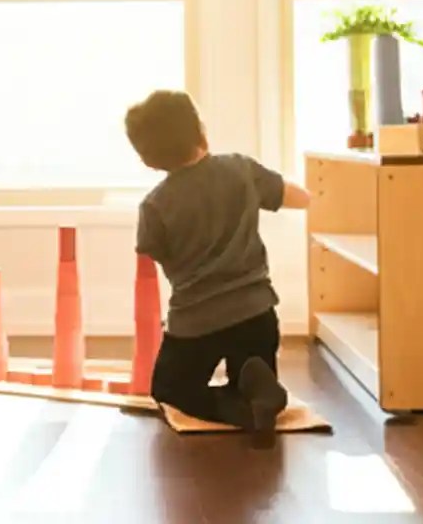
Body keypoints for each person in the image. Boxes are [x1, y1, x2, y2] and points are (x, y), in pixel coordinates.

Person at [124, 90, 310, 445]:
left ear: (149, 160)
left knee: (169, 389)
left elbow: (152, 254)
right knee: (251, 375)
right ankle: (254, 389)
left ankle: (238, 410)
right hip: (258, 315)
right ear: (200, 131)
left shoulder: (155, 205)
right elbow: (299, 198)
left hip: (196, 325)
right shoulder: (240, 169)